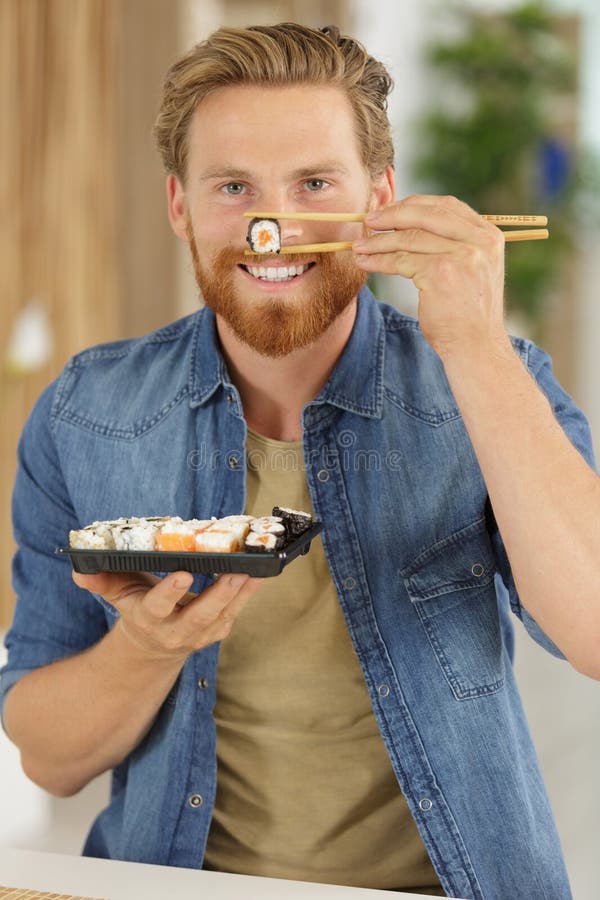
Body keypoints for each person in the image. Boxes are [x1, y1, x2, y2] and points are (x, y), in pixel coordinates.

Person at [1, 21, 598, 900]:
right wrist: (147, 646)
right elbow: (48, 761)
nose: (271, 224)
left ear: (381, 195)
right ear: (179, 206)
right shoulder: (86, 412)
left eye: (315, 183)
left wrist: (472, 339)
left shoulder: (492, 382)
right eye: (233, 186)